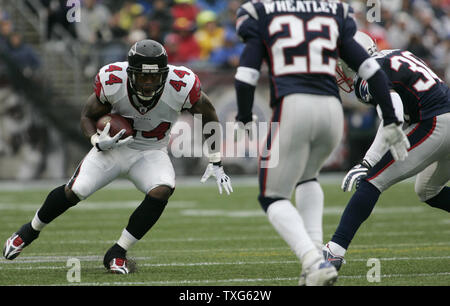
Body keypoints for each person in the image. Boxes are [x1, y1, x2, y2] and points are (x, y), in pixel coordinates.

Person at [3, 39, 233, 274]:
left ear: (165, 74)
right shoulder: (113, 79)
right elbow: (87, 116)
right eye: (143, 76)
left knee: (163, 187)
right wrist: (96, 139)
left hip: (151, 150)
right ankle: (28, 231)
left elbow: (209, 113)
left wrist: (215, 159)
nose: (148, 82)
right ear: (130, 72)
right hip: (113, 148)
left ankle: (118, 252)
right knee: (76, 190)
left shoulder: (182, 84)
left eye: (154, 77)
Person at [233, 0, 409, 286]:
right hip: (331, 110)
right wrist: (390, 119)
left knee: (272, 196)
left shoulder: (260, 11)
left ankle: (312, 260)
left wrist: (243, 115)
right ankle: (317, 257)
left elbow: (246, 75)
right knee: (307, 176)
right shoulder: (333, 10)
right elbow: (370, 69)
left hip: (293, 104)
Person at [324, 31, 450, 270]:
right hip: (441, 116)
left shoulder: (367, 75)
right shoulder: (394, 54)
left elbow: (394, 109)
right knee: (427, 189)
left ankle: (334, 252)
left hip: (436, 122)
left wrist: (367, 162)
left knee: (372, 180)